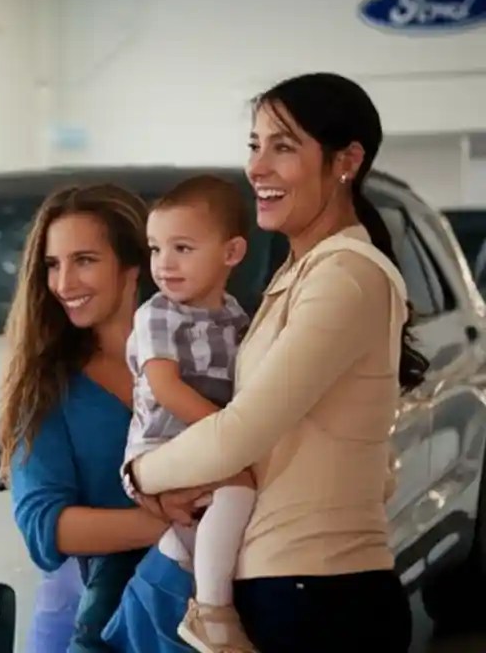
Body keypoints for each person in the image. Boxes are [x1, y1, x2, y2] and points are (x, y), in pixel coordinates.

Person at [107, 72, 427, 653]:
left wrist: (139, 476)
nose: (257, 167)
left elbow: (239, 434)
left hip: (318, 595)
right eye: (254, 145)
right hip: (292, 587)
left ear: (346, 161)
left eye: (283, 147)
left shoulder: (345, 276)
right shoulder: (302, 271)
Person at [0, 183, 171, 652]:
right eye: (53, 265)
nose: (64, 284)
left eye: (84, 261)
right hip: (100, 619)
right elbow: (46, 527)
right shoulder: (48, 384)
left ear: (133, 264)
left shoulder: (202, 356)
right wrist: (178, 526)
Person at [123, 175, 256, 653]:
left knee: (224, 512)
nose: (164, 263)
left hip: (203, 441)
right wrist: (229, 432)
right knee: (238, 485)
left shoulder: (237, 318)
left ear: (231, 252)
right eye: (156, 249)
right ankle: (212, 610)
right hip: (161, 444)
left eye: (182, 248)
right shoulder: (157, 314)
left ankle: (179, 557)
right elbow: (165, 386)